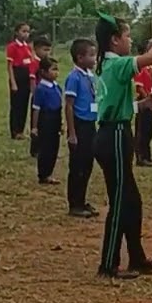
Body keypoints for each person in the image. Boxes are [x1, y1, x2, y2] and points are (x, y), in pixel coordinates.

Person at [93, 13, 152, 279]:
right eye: (127, 35)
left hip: (116, 131)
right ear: (115, 40)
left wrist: (143, 105)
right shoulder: (119, 64)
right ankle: (108, 264)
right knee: (121, 202)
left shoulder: (110, 66)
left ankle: (137, 256)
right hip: (113, 136)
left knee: (132, 201)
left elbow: (115, 106)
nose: (130, 39)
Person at [63, 38, 99, 218]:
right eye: (91, 55)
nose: (95, 59)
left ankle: (82, 200)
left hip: (91, 124)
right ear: (79, 57)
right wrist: (72, 133)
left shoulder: (90, 76)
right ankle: (74, 204)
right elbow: (69, 105)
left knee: (87, 165)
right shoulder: (74, 77)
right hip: (79, 125)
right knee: (77, 166)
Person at [32, 57, 63, 185]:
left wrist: (61, 123)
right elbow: (36, 109)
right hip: (46, 118)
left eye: (57, 69)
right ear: (43, 72)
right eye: (53, 69)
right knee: (46, 147)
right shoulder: (40, 89)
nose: (56, 72)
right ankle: (43, 174)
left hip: (55, 117)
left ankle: (49, 172)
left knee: (54, 146)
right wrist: (34, 127)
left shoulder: (57, 87)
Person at [133, 40, 152, 167]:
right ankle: (141, 157)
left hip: (151, 100)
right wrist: (147, 100)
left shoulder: (151, 69)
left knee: (149, 130)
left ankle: (147, 155)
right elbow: (140, 87)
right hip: (144, 102)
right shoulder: (140, 68)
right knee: (142, 130)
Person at [6, 23, 33, 140]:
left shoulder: (27, 47)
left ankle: (21, 130)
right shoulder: (12, 47)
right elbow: (10, 66)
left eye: (28, 32)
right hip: (17, 75)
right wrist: (13, 82)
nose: (26, 34)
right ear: (17, 32)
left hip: (26, 76)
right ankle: (15, 130)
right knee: (16, 105)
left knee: (24, 104)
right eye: (23, 31)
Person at [28, 36, 53, 158]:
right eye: (45, 49)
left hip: (46, 96)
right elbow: (32, 80)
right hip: (38, 95)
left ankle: (43, 146)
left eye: (49, 50)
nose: (47, 53)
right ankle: (35, 149)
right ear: (36, 49)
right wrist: (34, 93)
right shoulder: (34, 63)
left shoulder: (47, 63)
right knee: (36, 122)